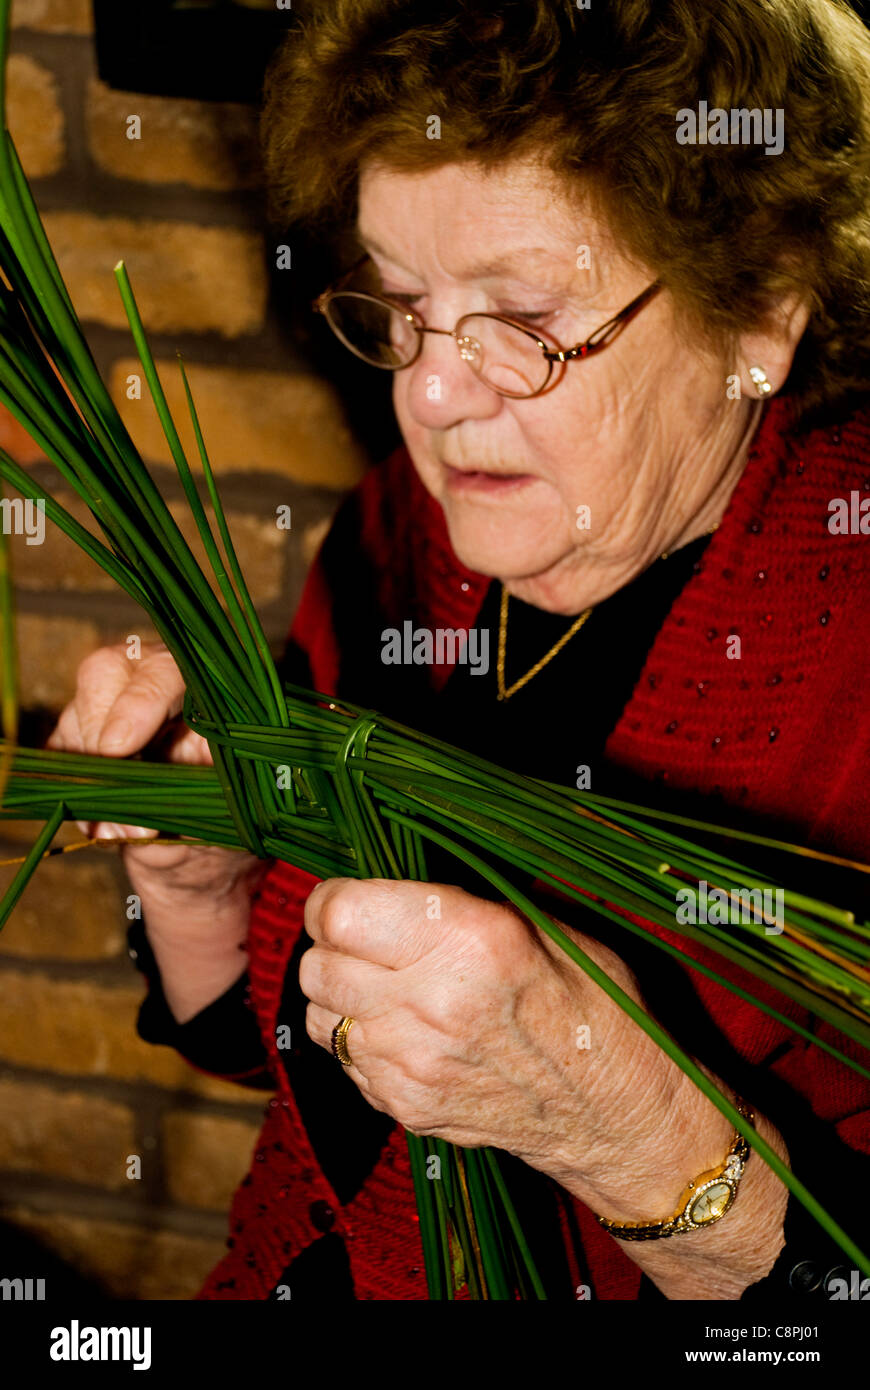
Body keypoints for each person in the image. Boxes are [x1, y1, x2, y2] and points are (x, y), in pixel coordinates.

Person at [48, 0, 870, 1300]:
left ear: (759, 312)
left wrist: (626, 1130)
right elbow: (300, 1065)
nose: (428, 391)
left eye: (521, 319)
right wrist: (201, 890)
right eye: (400, 301)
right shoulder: (399, 538)